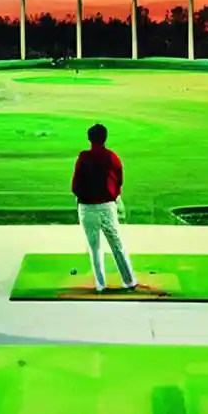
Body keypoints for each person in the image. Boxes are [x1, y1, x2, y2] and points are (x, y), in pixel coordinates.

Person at [71, 123, 137, 292]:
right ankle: (129, 281)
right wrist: (113, 195)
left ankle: (100, 285)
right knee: (117, 244)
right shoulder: (112, 157)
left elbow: (75, 185)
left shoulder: (83, 157)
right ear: (105, 138)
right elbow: (119, 180)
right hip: (107, 206)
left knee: (94, 247)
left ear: (89, 138)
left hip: (87, 208)